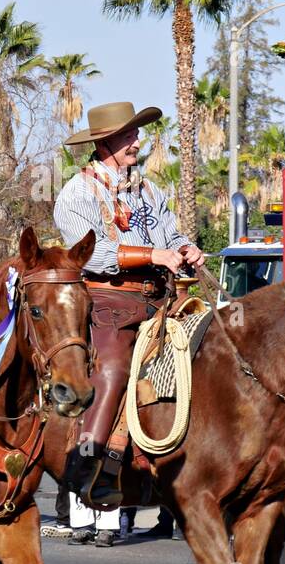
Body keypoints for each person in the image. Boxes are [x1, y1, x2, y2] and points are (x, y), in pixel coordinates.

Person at [54, 100, 205, 508]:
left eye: (135, 134)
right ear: (104, 144)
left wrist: (186, 248)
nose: (136, 142)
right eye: (128, 136)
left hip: (158, 300)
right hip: (107, 300)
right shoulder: (76, 193)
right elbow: (88, 252)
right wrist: (153, 256)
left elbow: (170, 236)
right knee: (116, 367)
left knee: (210, 350)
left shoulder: (148, 189)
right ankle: (87, 463)